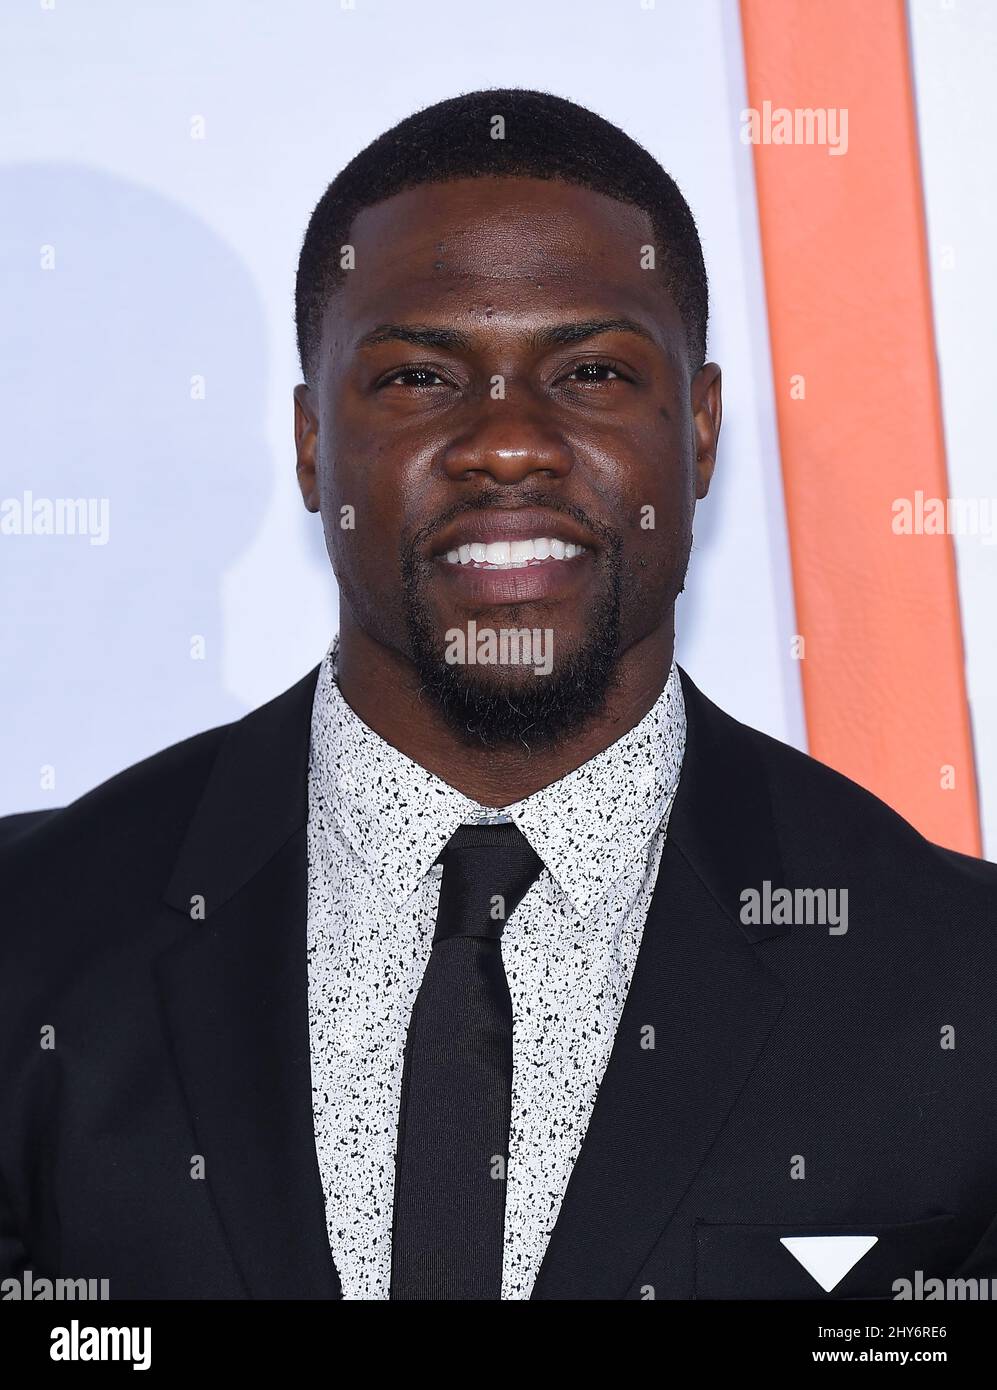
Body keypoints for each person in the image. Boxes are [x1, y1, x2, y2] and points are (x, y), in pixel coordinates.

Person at [2, 88, 996, 1303]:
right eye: (421, 375)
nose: (508, 441)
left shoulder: (959, 982)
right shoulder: (32, 938)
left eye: (588, 370)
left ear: (699, 430)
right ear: (314, 447)